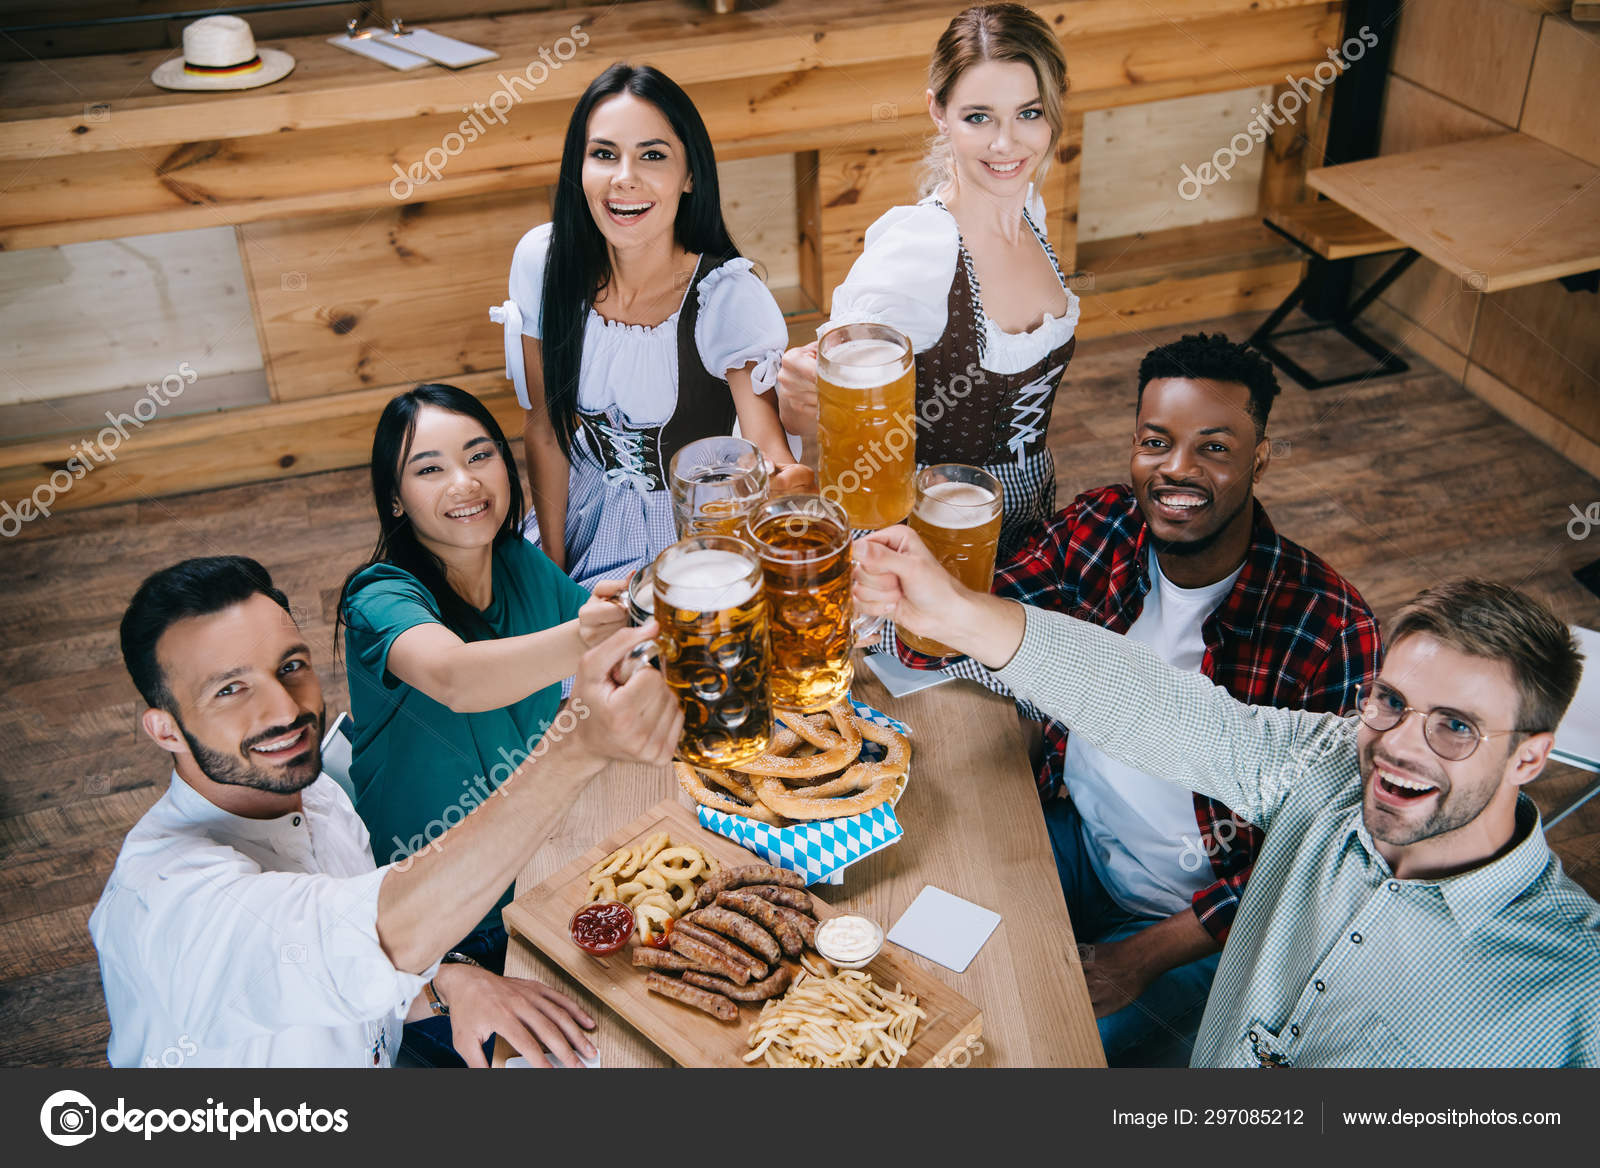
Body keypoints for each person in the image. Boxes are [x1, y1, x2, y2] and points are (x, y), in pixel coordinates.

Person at [855, 538, 1599, 1066]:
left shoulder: (1572, 986)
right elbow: (1164, 709)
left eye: (1456, 728)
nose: (1401, 745)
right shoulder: (1332, 765)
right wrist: (955, 614)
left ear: (1530, 755)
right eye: (1392, 702)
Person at [884, 332, 1381, 1065]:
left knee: (1031, 1050)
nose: (1176, 469)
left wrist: (1142, 957)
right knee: (909, 950)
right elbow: (971, 619)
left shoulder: (1332, 628)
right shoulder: (1106, 524)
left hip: (1195, 926)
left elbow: (1316, 870)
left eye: (1213, 447)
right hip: (1080, 837)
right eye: (1157, 441)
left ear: (1260, 458)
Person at [89, 556, 680, 1067]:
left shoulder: (315, 794)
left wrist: (448, 979)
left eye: (290, 667)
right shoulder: (165, 905)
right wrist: (577, 745)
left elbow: (351, 952)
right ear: (163, 729)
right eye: (230, 689)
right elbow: (371, 935)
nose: (284, 710)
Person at [775, 3, 1076, 557]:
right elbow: (818, 412)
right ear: (939, 111)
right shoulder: (921, 248)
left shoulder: (1030, 206)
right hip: (931, 544)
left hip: (1028, 528)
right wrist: (798, 389)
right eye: (978, 117)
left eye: (1028, 113)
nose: (1007, 144)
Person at [495, 62, 809, 589]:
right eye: (604, 154)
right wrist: (552, 571)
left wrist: (788, 483)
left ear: (689, 176)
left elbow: (768, 452)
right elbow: (545, 430)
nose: (625, 178)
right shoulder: (543, 262)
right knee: (530, 657)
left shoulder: (726, 297)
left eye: (653, 155)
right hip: (580, 511)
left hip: (693, 531)